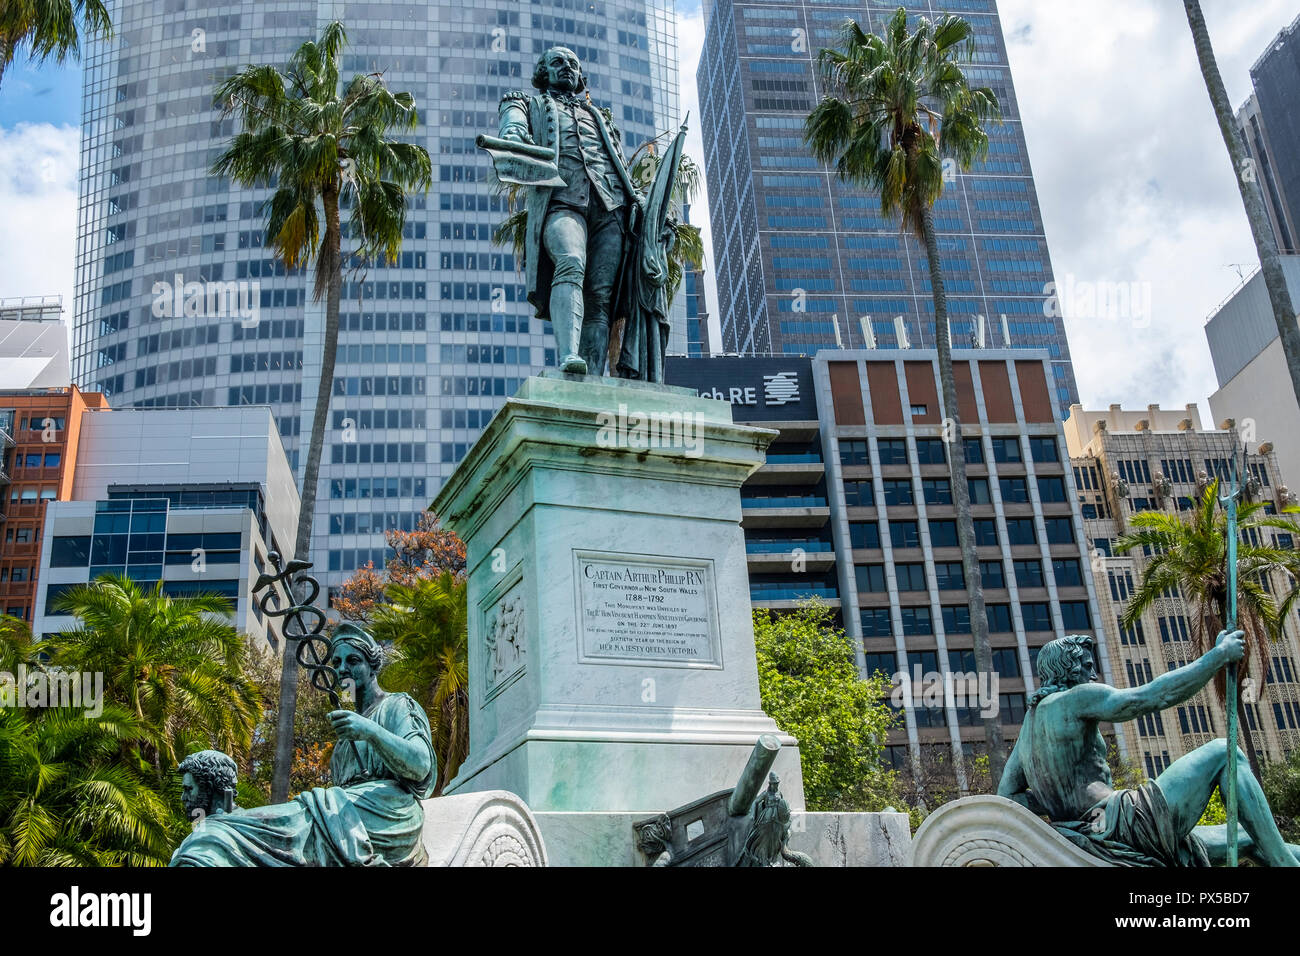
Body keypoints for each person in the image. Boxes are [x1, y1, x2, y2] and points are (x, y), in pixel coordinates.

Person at [998, 631, 1300, 866]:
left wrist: (1058, 803)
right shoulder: (1075, 698)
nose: (1093, 675)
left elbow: (1007, 797)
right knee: (1224, 752)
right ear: (1067, 668)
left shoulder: (1027, 730)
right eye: (1087, 667)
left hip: (1092, 832)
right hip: (1127, 822)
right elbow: (1153, 696)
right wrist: (1218, 656)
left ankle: (1283, 858)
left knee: (1248, 836)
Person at [170, 624, 435, 866]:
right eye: (337, 662)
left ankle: (225, 836)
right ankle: (222, 840)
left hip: (389, 814)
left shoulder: (397, 705)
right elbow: (334, 802)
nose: (343, 668)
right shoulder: (346, 737)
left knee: (297, 818)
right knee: (290, 820)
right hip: (344, 817)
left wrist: (371, 732)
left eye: (353, 660)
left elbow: (421, 766)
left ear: (372, 665)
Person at [496, 46, 643, 375]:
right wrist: (514, 133)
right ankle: (568, 357)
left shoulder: (600, 118)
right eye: (558, 62)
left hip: (611, 207)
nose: (566, 68)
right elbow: (513, 124)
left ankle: (591, 375)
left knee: (601, 297)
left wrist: (640, 200)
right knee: (570, 261)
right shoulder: (526, 102)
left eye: (573, 64)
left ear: (580, 76)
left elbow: (618, 165)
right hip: (562, 201)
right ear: (543, 71)